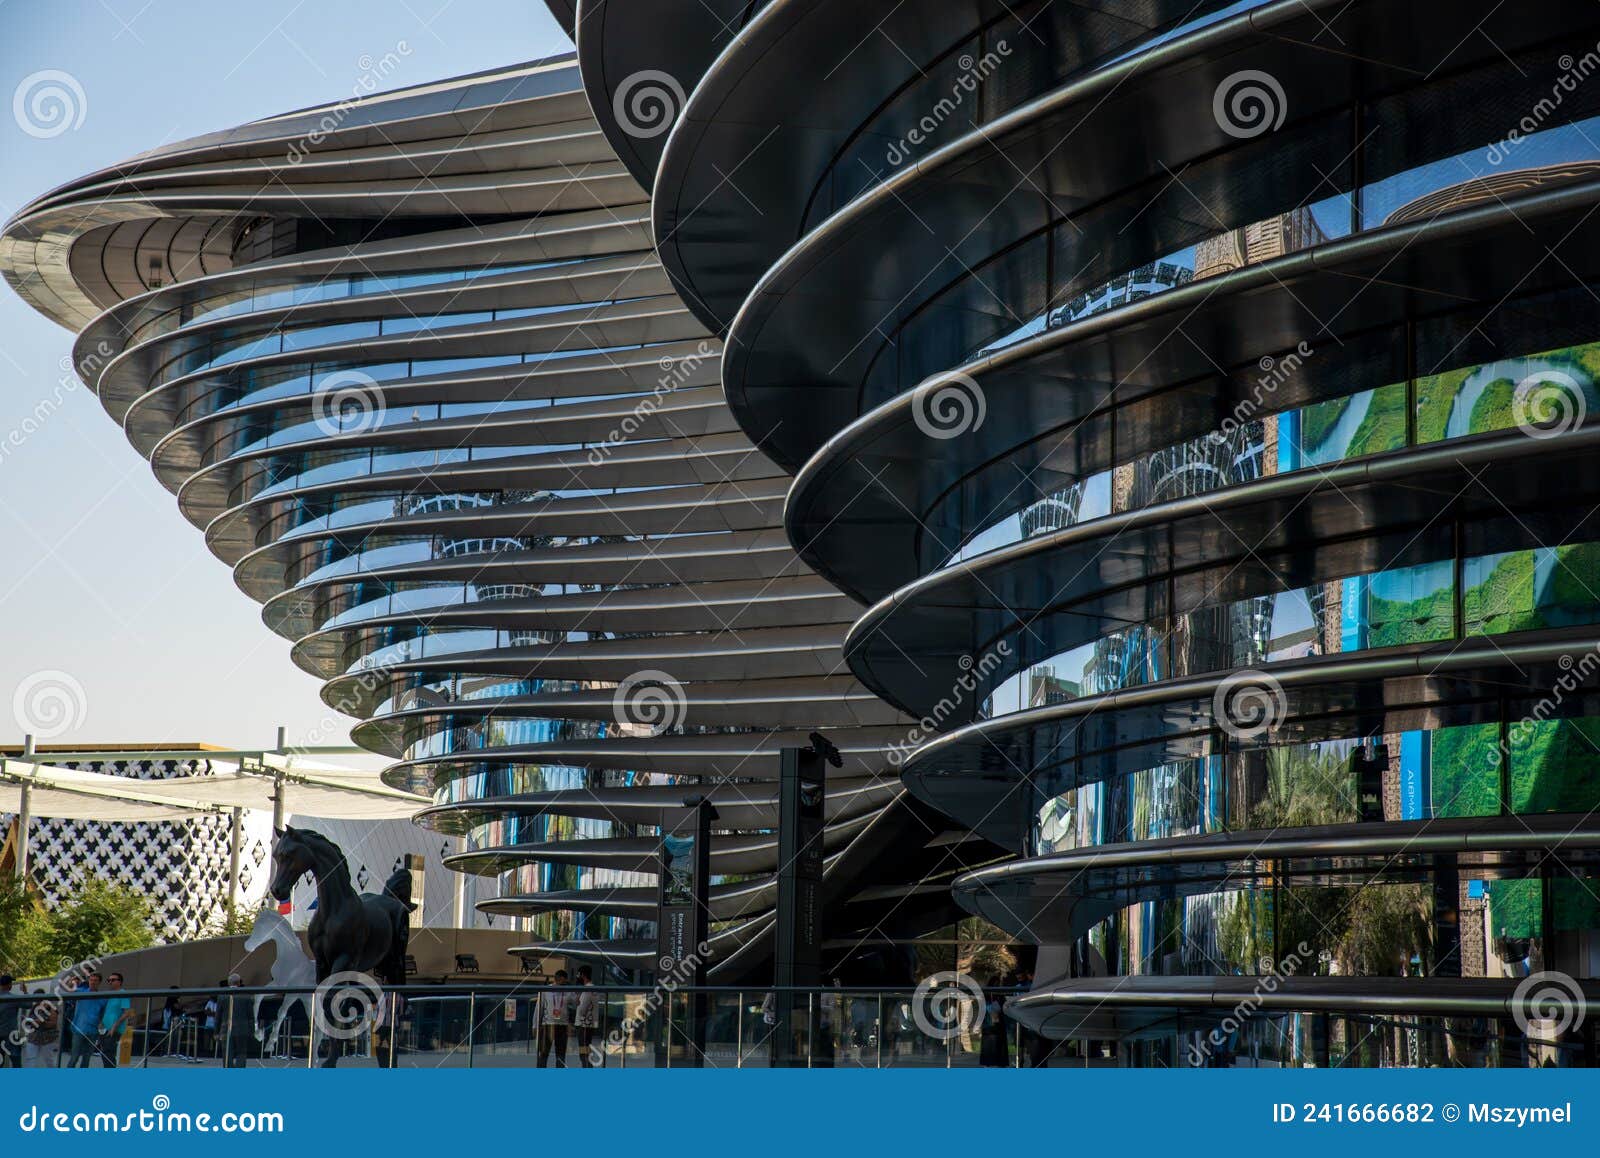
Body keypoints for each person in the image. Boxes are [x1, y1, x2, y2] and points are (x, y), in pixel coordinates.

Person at [64, 971, 106, 1067]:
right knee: (74, 1057)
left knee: (86, 1058)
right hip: (78, 1028)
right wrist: (72, 981)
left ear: (99, 982)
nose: (93, 982)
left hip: (93, 1031)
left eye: (95, 980)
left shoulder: (103, 997)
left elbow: (103, 1013)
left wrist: (101, 1024)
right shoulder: (81, 991)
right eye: (91, 980)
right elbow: (68, 989)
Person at [535, 970, 571, 1067]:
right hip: (548, 1025)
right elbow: (539, 1009)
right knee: (543, 1053)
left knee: (561, 1054)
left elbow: (577, 1002)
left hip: (562, 1025)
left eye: (564, 981)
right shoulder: (546, 990)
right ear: (556, 979)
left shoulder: (568, 991)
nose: (562, 982)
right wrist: (535, 1026)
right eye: (560, 980)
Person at [97, 973, 133, 1068]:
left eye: (113, 980)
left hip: (114, 1029)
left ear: (120, 982)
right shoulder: (111, 994)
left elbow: (127, 1012)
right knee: (104, 1052)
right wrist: (101, 1022)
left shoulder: (123, 993)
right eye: (109, 980)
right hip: (104, 1028)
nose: (110, 982)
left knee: (108, 1052)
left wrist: (114, 1026)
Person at [978, 976, 1010, 1068]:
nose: (1000, 985)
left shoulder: (993, 994)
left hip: (992, 1024)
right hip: (992, 1023)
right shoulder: (993, 994)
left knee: (993, 1043)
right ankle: (997, 1063)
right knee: (993, 1043)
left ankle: (992, 1063)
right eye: (998, 983)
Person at [223, 974, 252, 1068]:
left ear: (228, 983)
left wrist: (216, 1031)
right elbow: (250, 1015)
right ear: (239, 983)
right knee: (241, 1052)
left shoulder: (222, 995)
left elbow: (218, 1014)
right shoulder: (246, 996)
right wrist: (252, 1029)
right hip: (242, 1028)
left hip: (227, 1029)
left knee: (228, 1052)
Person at [574, 965, 599, 1067]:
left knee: (584, 1052)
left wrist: (578, 1001)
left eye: (578, 974)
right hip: (588, 1024)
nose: (577, 977)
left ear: (583, 975)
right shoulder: (592, 989)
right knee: (585, 1051)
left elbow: (582, 1009)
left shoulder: (587, 990)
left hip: (584, 1024)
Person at [0, 976, 20, 1068]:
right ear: (9, 985)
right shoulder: (13, 998)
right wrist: (25, 992)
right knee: (16, 1061)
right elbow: (28, 1004)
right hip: (11, 1035)